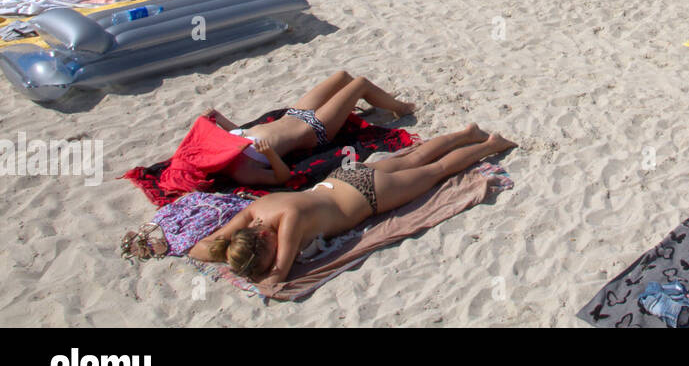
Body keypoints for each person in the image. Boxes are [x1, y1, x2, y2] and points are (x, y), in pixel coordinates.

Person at [190, 125, 515, 285]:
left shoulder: (289, 221)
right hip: (343, 177)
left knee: (436, 171)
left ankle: (490, 144)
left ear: (262, 237)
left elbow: (278, 274)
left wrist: (248, 269)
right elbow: (199, 248)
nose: (275, 252)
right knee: (417, 157)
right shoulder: (257, 211)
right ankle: (467, 133)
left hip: (369, 196)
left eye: (269, 250)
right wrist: (224, 252)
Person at [198, 71, 415, 186]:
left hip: (294, 113)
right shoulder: (243, 172)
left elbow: (240, 131)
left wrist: (220, 119)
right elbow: (281, 177)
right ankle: (402, 108)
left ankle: (378, 100)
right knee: (360, 83)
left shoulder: (226, 144)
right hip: (314, 129)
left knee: (342, 77)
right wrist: (271, 156)